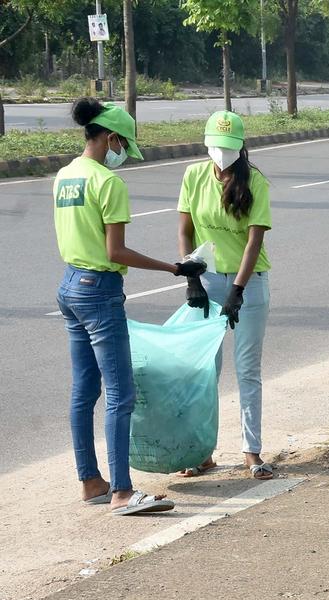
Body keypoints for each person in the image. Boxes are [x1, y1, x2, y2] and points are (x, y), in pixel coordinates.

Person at [54, 97, 206, 515]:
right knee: (121, 394)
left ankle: (91, 482)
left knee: (84, 392)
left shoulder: (65, 176)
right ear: (111, 137)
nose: (124, 154)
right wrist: (176, 267)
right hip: (100, 290)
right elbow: (116, 251)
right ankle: (122, 492)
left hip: (69, 286)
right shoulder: (108, 183)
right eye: (123, 145)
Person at [175, 111, 274, 480]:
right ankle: (202, 452)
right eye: (216, 147)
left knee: (247, 370)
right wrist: (191, 278)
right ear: (206, 144)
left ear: (241, 147)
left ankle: (252, 451)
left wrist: (238, 290)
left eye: (228, 148)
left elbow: (253, 243)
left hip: (248, 283)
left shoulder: (255, 182)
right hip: (207, 279)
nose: (221, 154)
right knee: (204, 371)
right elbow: (185, 230)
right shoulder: (193, 175)